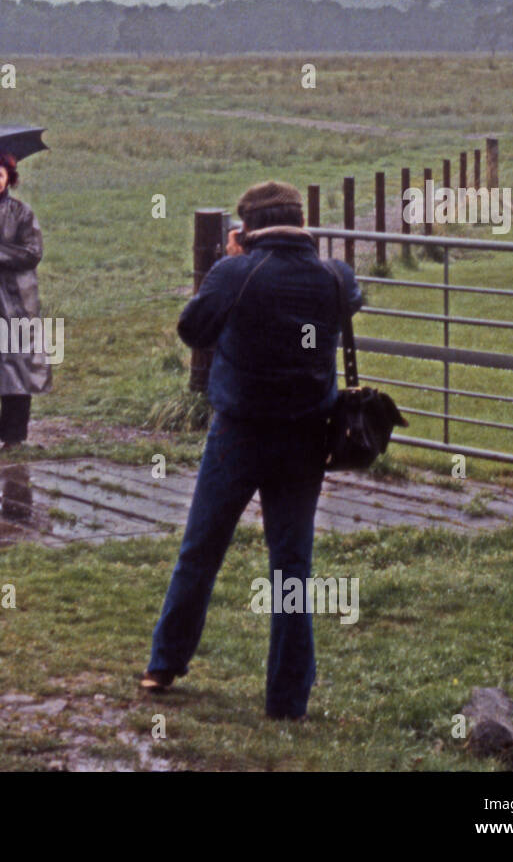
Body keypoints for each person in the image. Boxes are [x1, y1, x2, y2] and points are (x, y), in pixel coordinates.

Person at [141, 181, 363, 721]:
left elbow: (193, 329)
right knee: (291, 565)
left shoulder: (235, 272)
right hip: (308, 434)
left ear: (248, 228)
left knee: (201, 549)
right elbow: (351, 302)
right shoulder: (336, 275)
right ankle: (287, 699)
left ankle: (165, 663)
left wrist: (234, 263)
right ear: (300, 222)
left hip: (239, 432)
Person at [0, 153, 51, 454]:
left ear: (9, 178)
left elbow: (32, 253)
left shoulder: (22, 213)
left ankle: (14, 437)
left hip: (17, 302)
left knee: (17, 367)